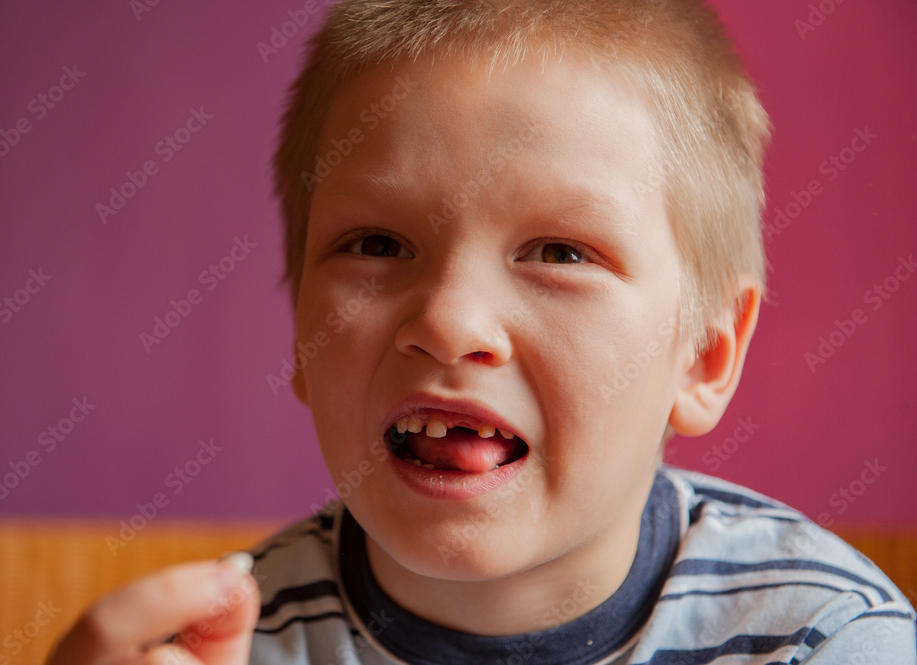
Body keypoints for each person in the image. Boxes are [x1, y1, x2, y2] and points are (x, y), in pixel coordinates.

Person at [47, 1, 917, 663]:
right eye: (377, 244)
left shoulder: (825, 638)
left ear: (706, 355)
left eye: (560, 251)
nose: (448, 320)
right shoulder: (226, 645)